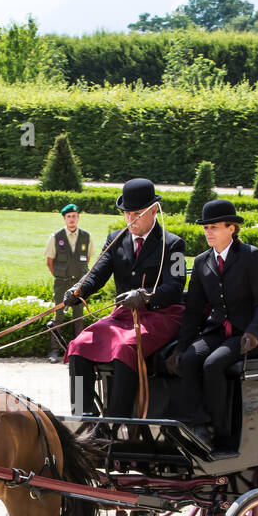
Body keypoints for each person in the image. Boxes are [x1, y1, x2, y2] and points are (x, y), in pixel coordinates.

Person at [63, 178, 186, 418]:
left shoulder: (173, 244)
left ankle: (115, 418)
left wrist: (145, 296)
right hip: (123, 316)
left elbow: (176, 287)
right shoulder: (115, 240)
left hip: (160, 315)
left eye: (137, 214)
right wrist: (78, 291)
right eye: (127, 213)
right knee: (78, 346)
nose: (131, 219)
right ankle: (81, 414)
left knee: (123, 347)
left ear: (153, 211)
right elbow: (96, 274)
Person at [171, 199, 258, 451]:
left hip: (246, 333)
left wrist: (254, 332)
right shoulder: (201, 261)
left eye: (214, 227)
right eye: (206, 228)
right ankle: (197, 424)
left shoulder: (251, 256)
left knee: (213, 363)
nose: (208, 232)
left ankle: (219, 431)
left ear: (232, 228)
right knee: (189, 359)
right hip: (217, 330)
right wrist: (181, 346)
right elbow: (194, 310)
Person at [44, 203, 91, 363]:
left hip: (79, 284)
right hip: (62, 283)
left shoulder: (86, 236)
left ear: (78, 217)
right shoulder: (55, 237)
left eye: (75, 216)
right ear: (64, 218)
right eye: (69, 216)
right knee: (58, 316)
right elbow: (49, 261)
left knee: (79, 317)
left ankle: (78, 352)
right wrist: (61, 275)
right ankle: (54, 351)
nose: (72, 219)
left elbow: (87, 260)